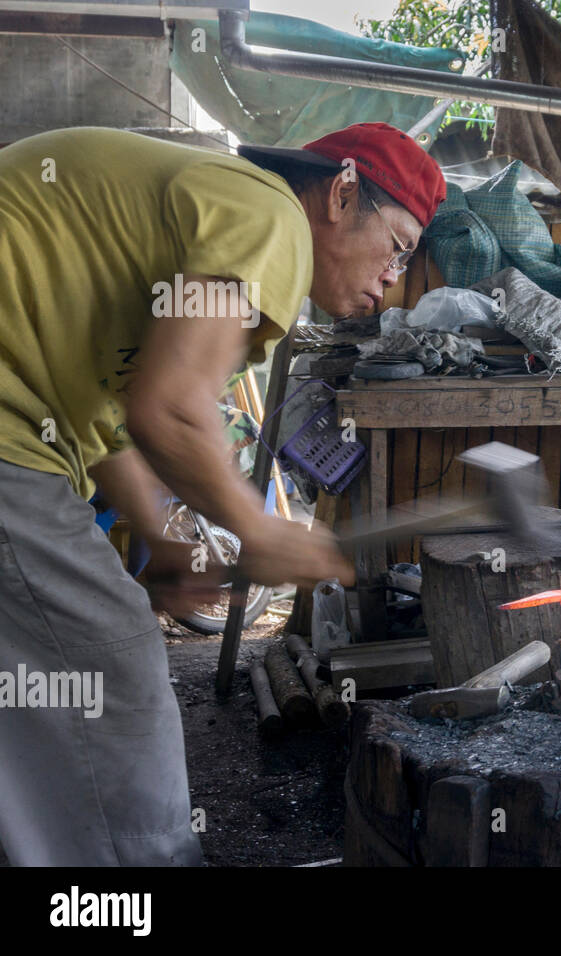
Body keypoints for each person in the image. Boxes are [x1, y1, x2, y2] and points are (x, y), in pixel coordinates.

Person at [0, 121, 445, 864]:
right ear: (340, 192)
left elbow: (108, 412)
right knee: (112, 672)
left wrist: (163, 539)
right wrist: (257, 529)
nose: (395, 275)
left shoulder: (192, 226)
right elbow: (169, 407)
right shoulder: (269, 214)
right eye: (398, 244)